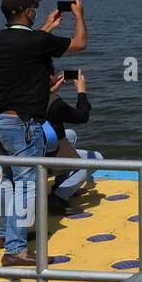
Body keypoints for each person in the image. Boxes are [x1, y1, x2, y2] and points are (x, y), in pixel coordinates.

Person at [0, 0, 87, 266]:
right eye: (33, 8)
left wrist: (45, 28)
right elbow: (79, 43)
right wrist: (79, 15)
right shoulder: (35, 41)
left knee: (8, 181)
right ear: (28, 11)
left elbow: (26, 47)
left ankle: (5, 235)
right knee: (27, 186)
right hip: (22, 124)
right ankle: (16, 251)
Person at [43, 70, 104, 215]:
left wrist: (50, 89)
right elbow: (82, 116)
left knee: (71, 135)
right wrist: (81, 90)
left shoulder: (26, 96)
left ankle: (61, 185)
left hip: (34, 145)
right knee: (95, 159)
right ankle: (57, 198)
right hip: (43, 156)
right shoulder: (54, 103)